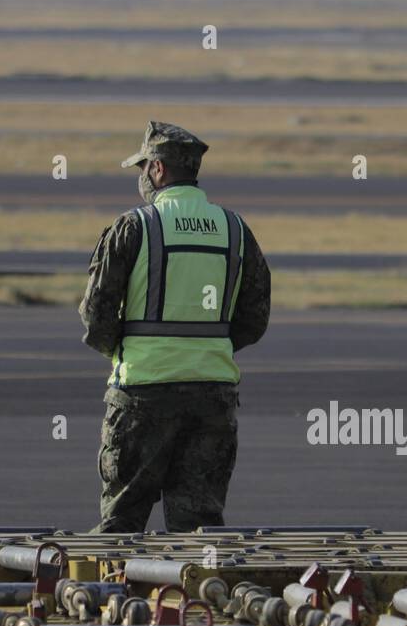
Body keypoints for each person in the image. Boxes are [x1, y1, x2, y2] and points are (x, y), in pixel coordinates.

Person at [78, 121, 271, 533]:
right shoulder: (235, 229)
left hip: (142, 395)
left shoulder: (134, 227)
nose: (140, 177)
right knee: (200, 529)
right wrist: (206, 350)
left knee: (121, 524)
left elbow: (96, 315)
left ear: (158, 170)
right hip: (213, 397)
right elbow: (255, 317)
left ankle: (116, 597)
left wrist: (127, 353)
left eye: (142, 167)